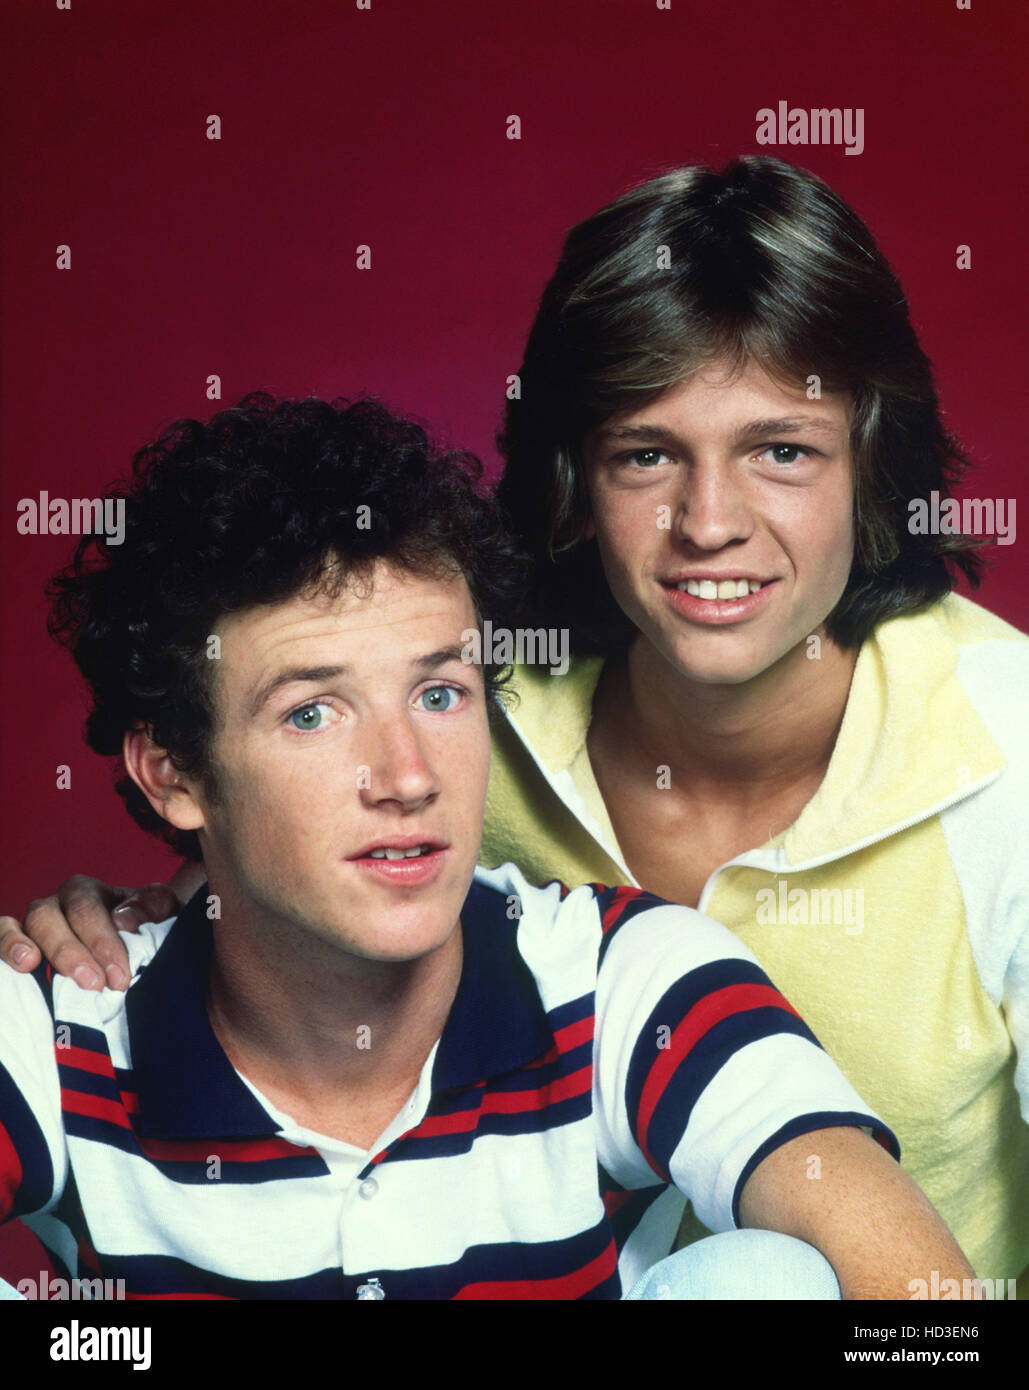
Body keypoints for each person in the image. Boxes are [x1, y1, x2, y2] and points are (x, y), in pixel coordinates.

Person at [5, 157, 1027, 1284]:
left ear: (872, 466)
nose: (711, 523)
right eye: (646, 454)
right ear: (577, 481)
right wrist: (120, 929)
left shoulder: (1002, 747)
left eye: (781, 450)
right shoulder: (489, 690)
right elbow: (280, 854)